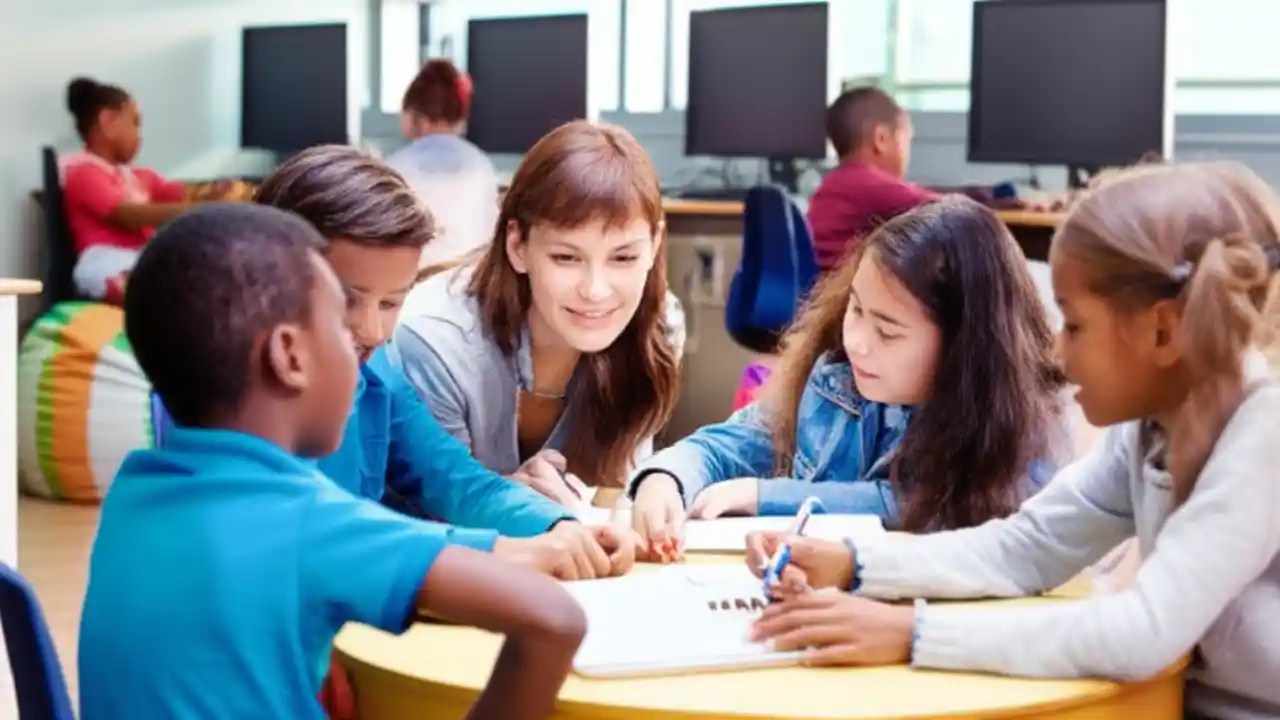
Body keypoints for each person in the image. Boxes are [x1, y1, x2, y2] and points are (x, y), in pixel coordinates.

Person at [746, 162, 1280, 720]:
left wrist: (913, 632)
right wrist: (855, 565)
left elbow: (1142, 632)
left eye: (1073, 327)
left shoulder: (1262, 432)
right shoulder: (1151, 424)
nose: (1057, 353)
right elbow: (1029, 546)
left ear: (1163, 332)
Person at [79, 204, 586, 719]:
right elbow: (553, 621)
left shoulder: (134, 492)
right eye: (341, 330)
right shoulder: (304, 520)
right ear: (290, 356)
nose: (372, 341)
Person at [252, 145, 634, 581]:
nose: (373, 330)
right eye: (347, 301)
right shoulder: (235, 397)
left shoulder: (378, 369)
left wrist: (564, 527)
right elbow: (319, 537)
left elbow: (454, 479)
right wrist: (496, 551)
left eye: (392, 302)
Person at [628, 196, 1073, 550]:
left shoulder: (1015, 425)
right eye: (856, 309)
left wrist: (762, 495)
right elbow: (727, 445)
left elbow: (922, 506)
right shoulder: (837, 379)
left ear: (964, 347)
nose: (858, 340)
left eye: (888, 331)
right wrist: (665, 479)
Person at [392, 120, 681, 504]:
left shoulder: (657, 326)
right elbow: (440, 515)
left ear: (655, 244)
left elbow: (612, 501)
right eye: (566, 257)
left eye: (624, 257)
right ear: (518, 245)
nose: (596, 290)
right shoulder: (433, 338)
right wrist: (504, 500)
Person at [59, 76, 223, 302]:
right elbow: (127, 215)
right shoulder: (83, 172)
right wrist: (202, 209)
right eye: (135, 122)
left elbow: (180, 191)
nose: (140, 135)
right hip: (105, 259)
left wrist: (216, 192)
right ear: (108, 121)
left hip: (141, 256)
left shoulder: (138, 176)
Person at [386, 58, 498, 271]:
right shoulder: (482, 166)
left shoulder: (396, 167)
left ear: (412, 115)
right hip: (468, 284)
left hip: (414, 288)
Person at [807, 87, 935, 273]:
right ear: (881, 139)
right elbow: (952, 212)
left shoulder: (835, 183)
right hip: (843, 295)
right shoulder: (868, 184)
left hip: (823, 292)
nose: (907, 154)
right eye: (906, 141)